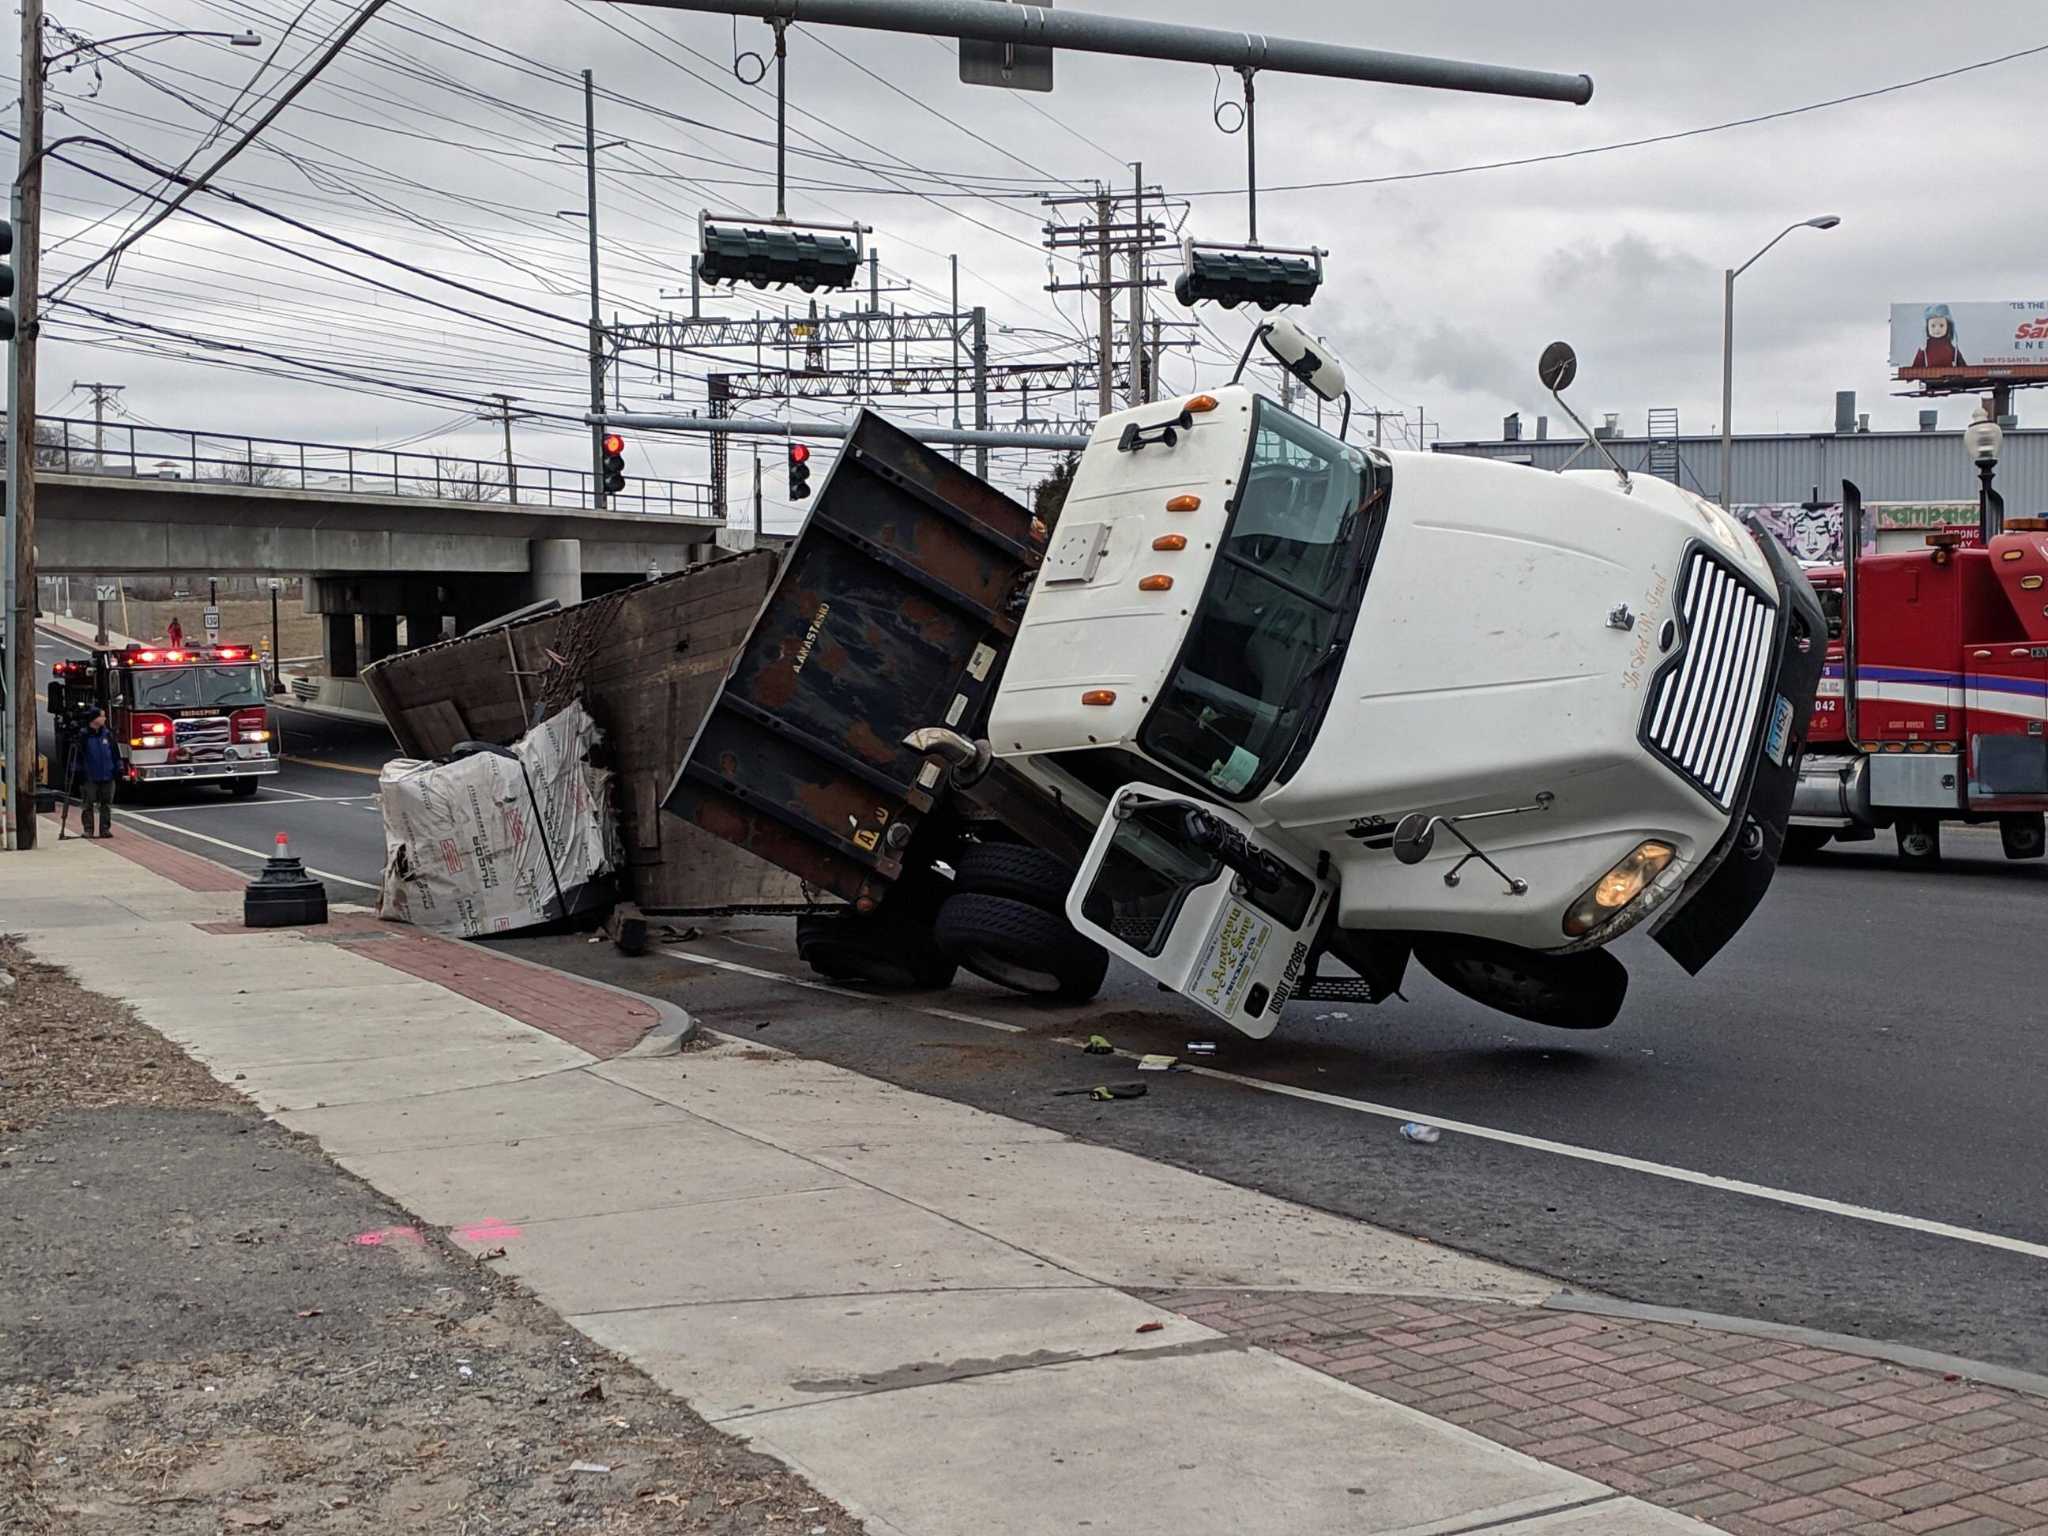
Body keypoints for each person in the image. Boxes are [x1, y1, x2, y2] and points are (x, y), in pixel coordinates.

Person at [77, 707, 118, 838]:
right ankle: (88, 829)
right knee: (88, 803)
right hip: (90, 776)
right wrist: (78, 771)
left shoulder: (107, 734)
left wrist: (118, 768)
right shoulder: (84, 736)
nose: (104, 718)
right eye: (102, 716)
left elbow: (115, 753)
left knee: (106, 803)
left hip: (107, 775)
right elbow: (77, 756)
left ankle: (105, 829)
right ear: (94, 719)